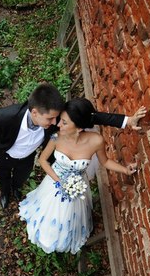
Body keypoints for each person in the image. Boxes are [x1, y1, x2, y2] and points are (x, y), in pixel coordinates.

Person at [0, 83, 146, 209]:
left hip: (27, 158)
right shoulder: (4, 116)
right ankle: (5, 193)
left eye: (57, 119)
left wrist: (128, 121)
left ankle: (16, 188)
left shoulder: (54, 119)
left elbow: (89, 117)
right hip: (5, 156)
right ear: (35, 113)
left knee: (21, 177)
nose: (55, 123)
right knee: (4, 177)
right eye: (50, 119)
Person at [18, 98, 140, 254]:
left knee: (69, 216)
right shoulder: (56, 136)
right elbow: (42, 160)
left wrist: (125, 170)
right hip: (55, 180)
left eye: (64, 122)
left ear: (79, 127)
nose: (58, 124)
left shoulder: (96, 141)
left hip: (77, 187)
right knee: (49, 211)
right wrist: (58, 182)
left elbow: (105, 161)